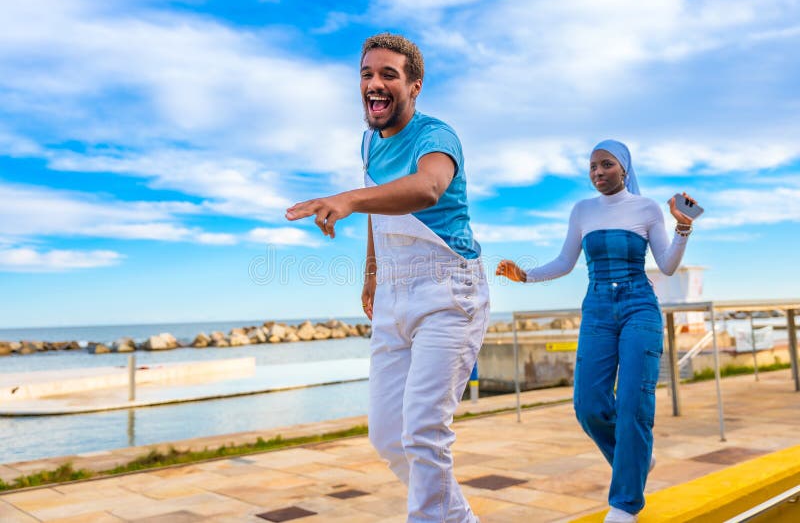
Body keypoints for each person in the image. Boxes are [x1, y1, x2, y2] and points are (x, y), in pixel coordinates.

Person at [286, 33, 489, 523]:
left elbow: (428, 187)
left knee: (422, 432)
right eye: (366, 75)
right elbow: (384, 212)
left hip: (448, 293)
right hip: (394, 296)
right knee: (388, 435)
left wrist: (350, 199)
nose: (374, 85)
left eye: (388, 75)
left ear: (414, 86)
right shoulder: (368, 143)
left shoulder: (435, 136)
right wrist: (372, 274)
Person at [495, 140, 697, 523]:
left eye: (606, 165)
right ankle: (637, 457)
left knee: (634, 404)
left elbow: (667, 266)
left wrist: (683, 228)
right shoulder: (582, 210)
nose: (598, 172)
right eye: (592, 167)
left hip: (639, 305)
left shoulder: (647, 208)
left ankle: (624, 505)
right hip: (598, 308)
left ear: (624, 169)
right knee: (587, 405)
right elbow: (564, 261)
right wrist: (525, 276)